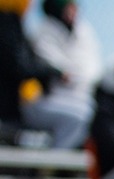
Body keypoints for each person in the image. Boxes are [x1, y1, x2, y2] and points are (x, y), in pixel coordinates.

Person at [20, 0, 93, 148]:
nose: (74, 13)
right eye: (70, 8)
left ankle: (60, 161)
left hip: (70, 98)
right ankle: (54, 161)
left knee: (88, 112)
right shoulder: (44, 32)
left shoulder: (81, 34)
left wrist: (75, 75)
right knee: (80, 117)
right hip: (38, 98)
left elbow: (88, 70)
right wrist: (67, 74)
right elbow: (64, 72)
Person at [1, 0, 63, 139]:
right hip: (7, 112)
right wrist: (55, 72)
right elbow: (19, 66)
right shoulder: (7, 23)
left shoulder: (13, 23)